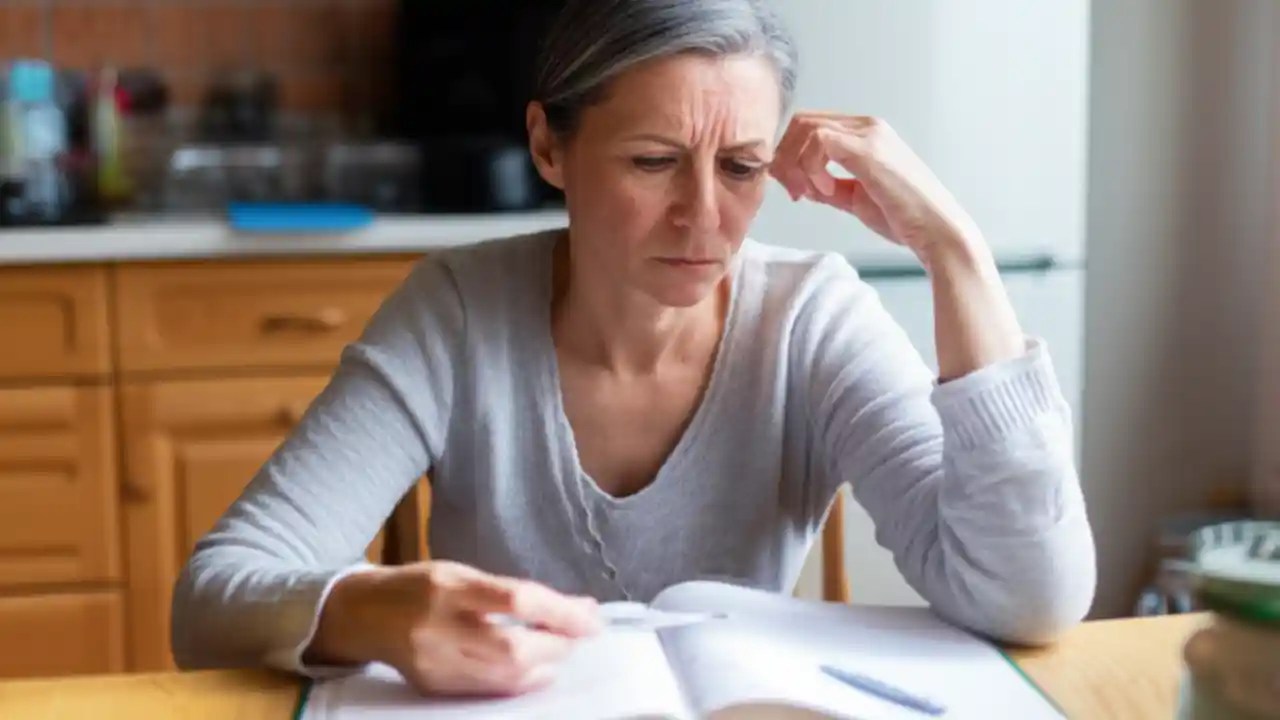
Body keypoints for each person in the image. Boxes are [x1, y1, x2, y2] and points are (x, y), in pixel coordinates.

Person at [172, 0, 1096, 698]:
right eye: (653, 162)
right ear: (548, 146)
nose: (704, 216)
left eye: (741, 167)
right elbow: (211, 601)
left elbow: (1029, 598)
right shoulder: (455, 312)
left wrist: (955, 251)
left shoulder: (812, 316)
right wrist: (365, 612)